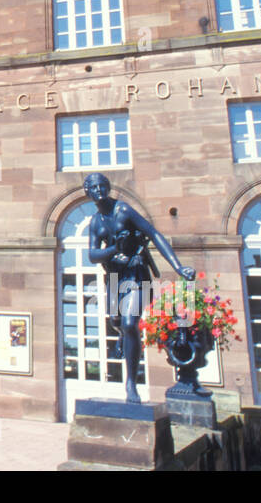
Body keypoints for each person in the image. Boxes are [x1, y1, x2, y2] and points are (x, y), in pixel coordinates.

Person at [82, 172, 194, 404]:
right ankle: (123, 336)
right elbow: (92, 255)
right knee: (116, 321)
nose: (100, 190)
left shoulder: (122, 211)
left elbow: (153, 233)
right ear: (88, 192)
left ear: (108, 187)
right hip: (115, 275)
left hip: (136, 271)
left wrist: (179, 266)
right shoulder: (95, 222)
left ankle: (131, 383)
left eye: (103, 185)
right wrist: (114, 250)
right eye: (94, 187)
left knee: (130, 322)